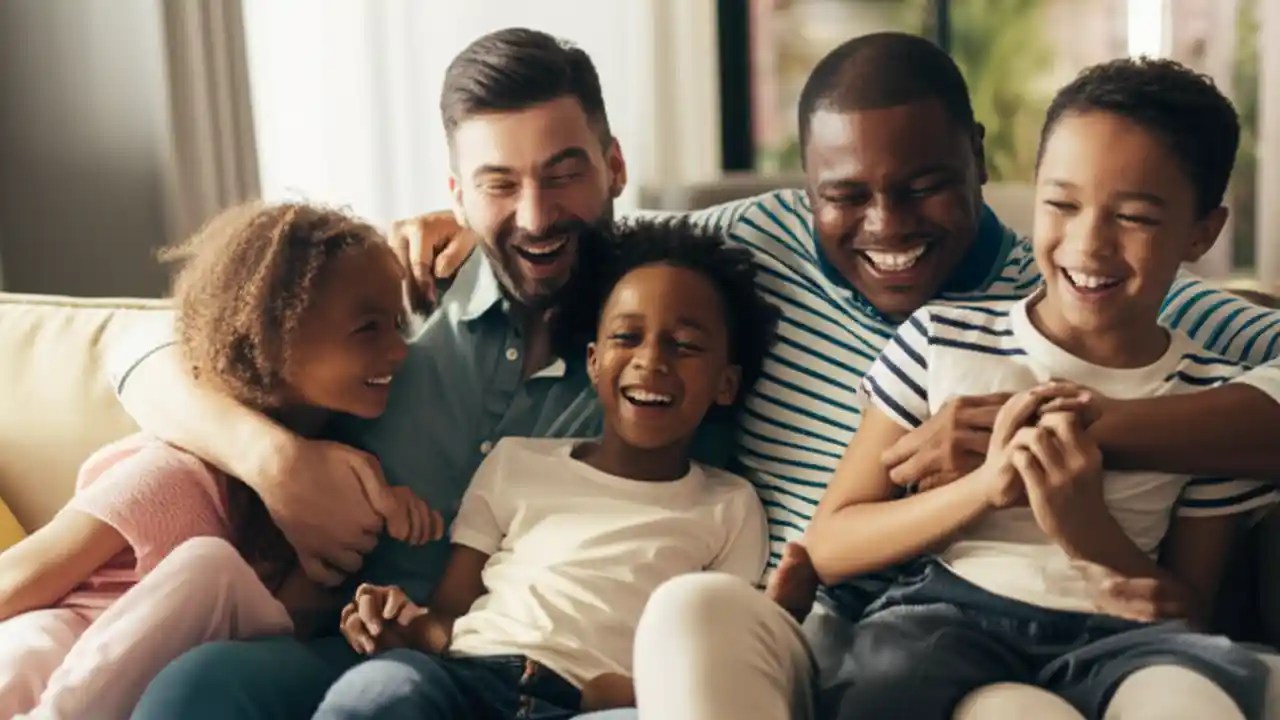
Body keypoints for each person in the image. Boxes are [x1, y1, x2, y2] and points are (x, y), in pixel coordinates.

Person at [393, 32, 1280, 720]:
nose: (884, 223)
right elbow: (583, 241)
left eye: (924, 185)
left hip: (974, 637)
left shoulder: (1099, 296)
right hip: (799, 627)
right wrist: (480, 225)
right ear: (805, 184)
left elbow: (1195, 546)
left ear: (979, 156)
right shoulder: (749, 245)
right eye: (845, 194)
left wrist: (1055, 424)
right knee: (691, 608)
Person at [122, 29, 641, 720]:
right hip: (354, 648)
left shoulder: (667, 338)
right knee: (201, 685)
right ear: (457, 193)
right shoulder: (397, 295)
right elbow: (138, 349)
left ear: (613, 166)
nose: (536, 215)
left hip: (535, 679)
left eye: (563, 174)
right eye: (499, 184)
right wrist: (277, 461)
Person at [806, 57, 1274, 720]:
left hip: (1128, 640)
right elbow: (830, 543)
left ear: (1202, 231)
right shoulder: (941, 339)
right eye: (1062, 204)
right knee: (887, 678)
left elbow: (1188, 609)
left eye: (1134, 217)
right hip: (949, 622)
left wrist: (1087, 532)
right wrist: (987, 486)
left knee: (1198, 697)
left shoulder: (1207, 401)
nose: (1089, 245)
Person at [312, 218, 778, 719]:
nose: (651, 361)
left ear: (726, 384)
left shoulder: (730, 505)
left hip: (597, 702)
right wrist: (401, 625)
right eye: (627, 336)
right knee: (376, 695)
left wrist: (635, 693)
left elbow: (716, 659)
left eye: (684, 345)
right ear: (595, 362)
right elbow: (449, 614)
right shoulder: (517, 462)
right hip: (469, 674)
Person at [0, 202, 438, 719]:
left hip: (157, 690)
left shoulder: (340, 485)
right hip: (66, 654)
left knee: (218, 575)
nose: (399, 350)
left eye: (397, 324)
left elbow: (294, 622)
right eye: (369, 328)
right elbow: (17, 580)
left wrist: (386, 524)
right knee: (41, 636)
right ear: (276, 339)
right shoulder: (176, 475)